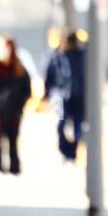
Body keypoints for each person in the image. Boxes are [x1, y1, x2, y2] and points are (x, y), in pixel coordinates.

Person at [0, 35, 31, 176]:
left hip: (14, 113)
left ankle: (14, 168)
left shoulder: (20, 69)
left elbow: (27, 90)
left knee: (12, 141)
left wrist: (20, 106)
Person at [45, 30, 86, 162]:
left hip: (78, 96)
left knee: (78, 125)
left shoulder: (83, 55)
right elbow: (49, 75)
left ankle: (73, 152)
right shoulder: (57, 56)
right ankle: (66, 152)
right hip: (60, 97)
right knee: (60, 124)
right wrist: (48, 93)